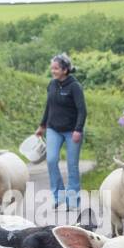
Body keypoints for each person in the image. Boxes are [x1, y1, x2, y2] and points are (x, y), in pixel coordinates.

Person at [34, 53, 86, 210]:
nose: (53, 71)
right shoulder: (52, 84)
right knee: (51, 160)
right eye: (52, 68)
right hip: (53, 129)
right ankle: (58, 196)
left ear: (65, 70)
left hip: (72, 131)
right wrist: (42, 126)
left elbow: (82, 110)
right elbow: (49, 107)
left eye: (56, 68)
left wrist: (78, 129)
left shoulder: (75, 86)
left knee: (72, 166)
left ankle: (72, 201)